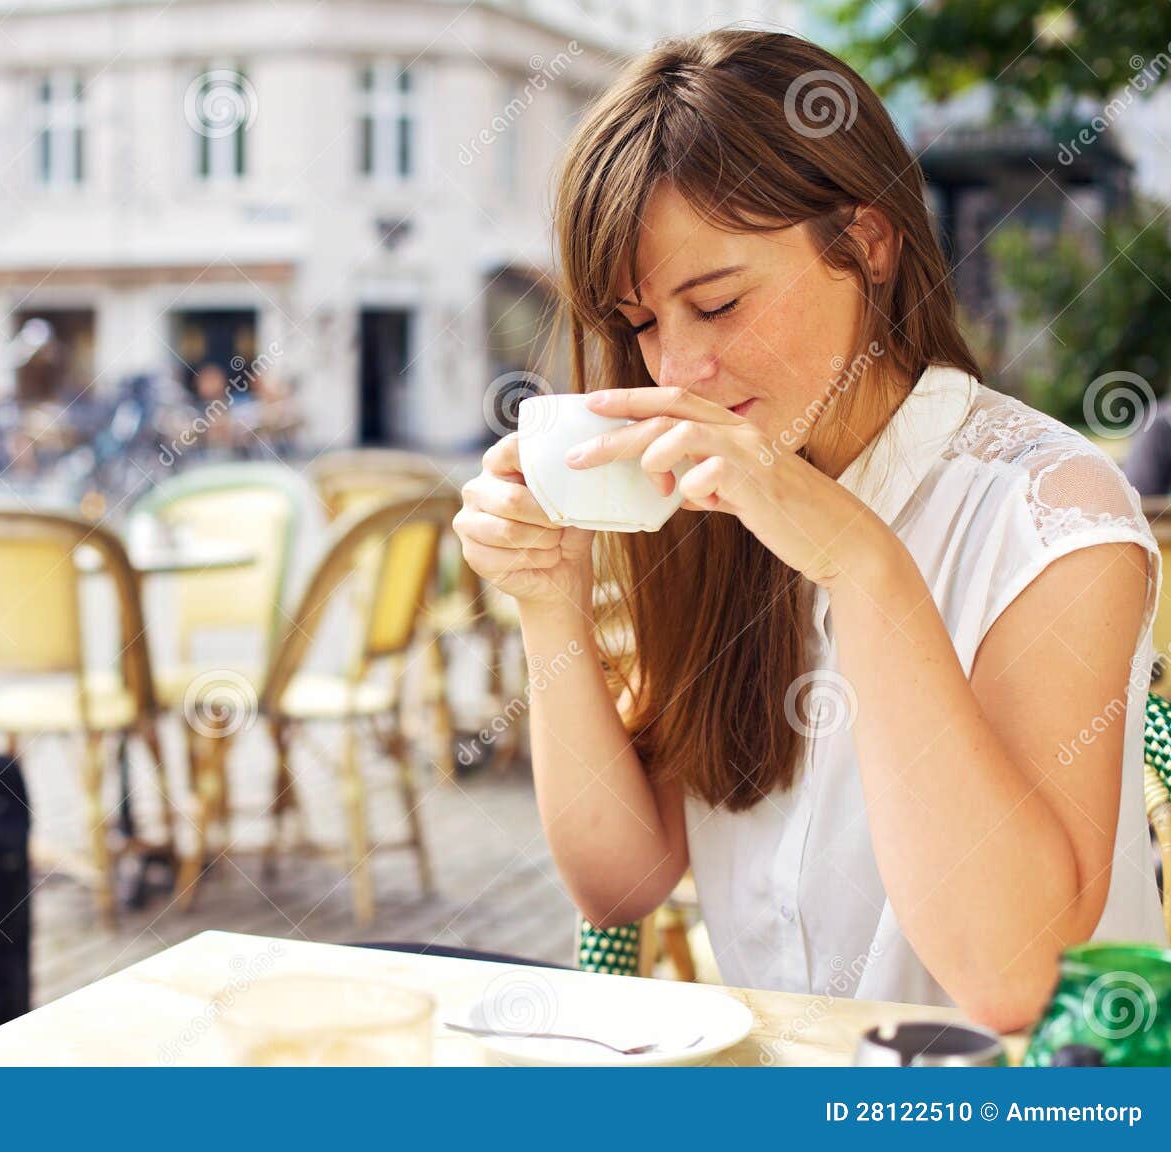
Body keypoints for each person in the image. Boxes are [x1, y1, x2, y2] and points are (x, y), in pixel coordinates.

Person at [452, 29, 1166, 1031]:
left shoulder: (1050, 513)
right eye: (643, 323)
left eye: (717, 301)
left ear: (866, 244)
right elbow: (620, 882)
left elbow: (1013, 980)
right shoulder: (705, 504)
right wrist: (548, 599)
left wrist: (862, 567)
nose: (677, 369)